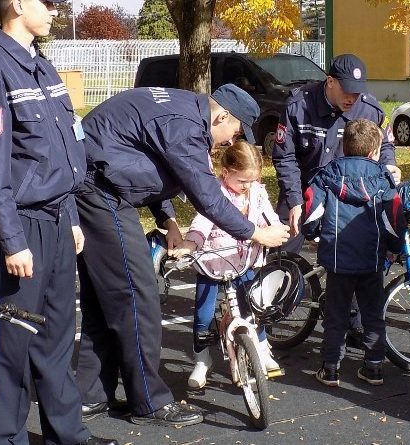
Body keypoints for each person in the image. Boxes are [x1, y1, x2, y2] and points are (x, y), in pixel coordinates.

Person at [74, 84, 290, 427]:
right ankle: (149, 402)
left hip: (96, 182)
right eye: (234, 133)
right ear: (222, 115)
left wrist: (169, 220)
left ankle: (91, 395)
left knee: (105, 301)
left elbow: (145, 155)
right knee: (137, 296)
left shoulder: (181, 108)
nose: (231, 142)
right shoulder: (185, 126)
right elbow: (207, 195)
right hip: (101, 192)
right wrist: (256, 232)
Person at [0, 1, 116, 444]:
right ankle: (2, 436)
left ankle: (67, 434)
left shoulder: (41, 68)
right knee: (11, 342)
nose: (55, 11)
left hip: (60, 220)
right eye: (47, 2)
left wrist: (74, 218)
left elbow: (62, 152)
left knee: (58, 337)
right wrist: (11, 240)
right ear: (19, 5)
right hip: (22, 225)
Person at [272, 53, 401, 342]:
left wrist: (389, 164)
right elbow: (285, 157)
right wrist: (294, 200)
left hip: (346, 194)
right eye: (346, 91)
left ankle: (352, 322)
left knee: (358, 255)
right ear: (330, 82)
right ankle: (269, 311)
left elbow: (385, 141)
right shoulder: (299, 105)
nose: (352, 98)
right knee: (283, 249)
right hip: (303, 187)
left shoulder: (367, 107)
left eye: (358, 91)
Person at [302, 119, 407, 387]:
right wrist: (395, 249)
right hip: (371, 261)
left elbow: (311, 212)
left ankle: (330, 368)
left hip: (337, 260)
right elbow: (394, 219)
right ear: (374, 151)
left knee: (336, 315)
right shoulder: (383, 179)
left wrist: (313, 234)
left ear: (343, 146)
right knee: (373, 315)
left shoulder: (327, 175)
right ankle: (373, 366)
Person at [171, 140, 283, 389]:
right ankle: (202, 360)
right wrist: (191, 244)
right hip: (213, 263)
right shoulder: (215, 195)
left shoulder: (257, 193)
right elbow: (201, 224)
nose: (247, 186)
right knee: (203, 315)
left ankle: (261, 347)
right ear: (226, 173)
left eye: (252, 180)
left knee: (254, 307)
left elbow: (268, 218)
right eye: (242, 181)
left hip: (244, 262)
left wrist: (276, 229)